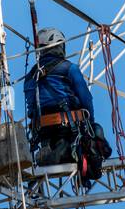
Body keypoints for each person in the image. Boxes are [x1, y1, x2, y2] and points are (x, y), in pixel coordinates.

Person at [23, 28, 96, 166]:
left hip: (42, 129)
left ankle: (49, 151)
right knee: (97, 135)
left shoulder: (30, 76)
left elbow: (31, 107)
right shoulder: (69, 68)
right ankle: (65, 151)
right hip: (66, 126)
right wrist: (91, 124)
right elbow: (86, 99)